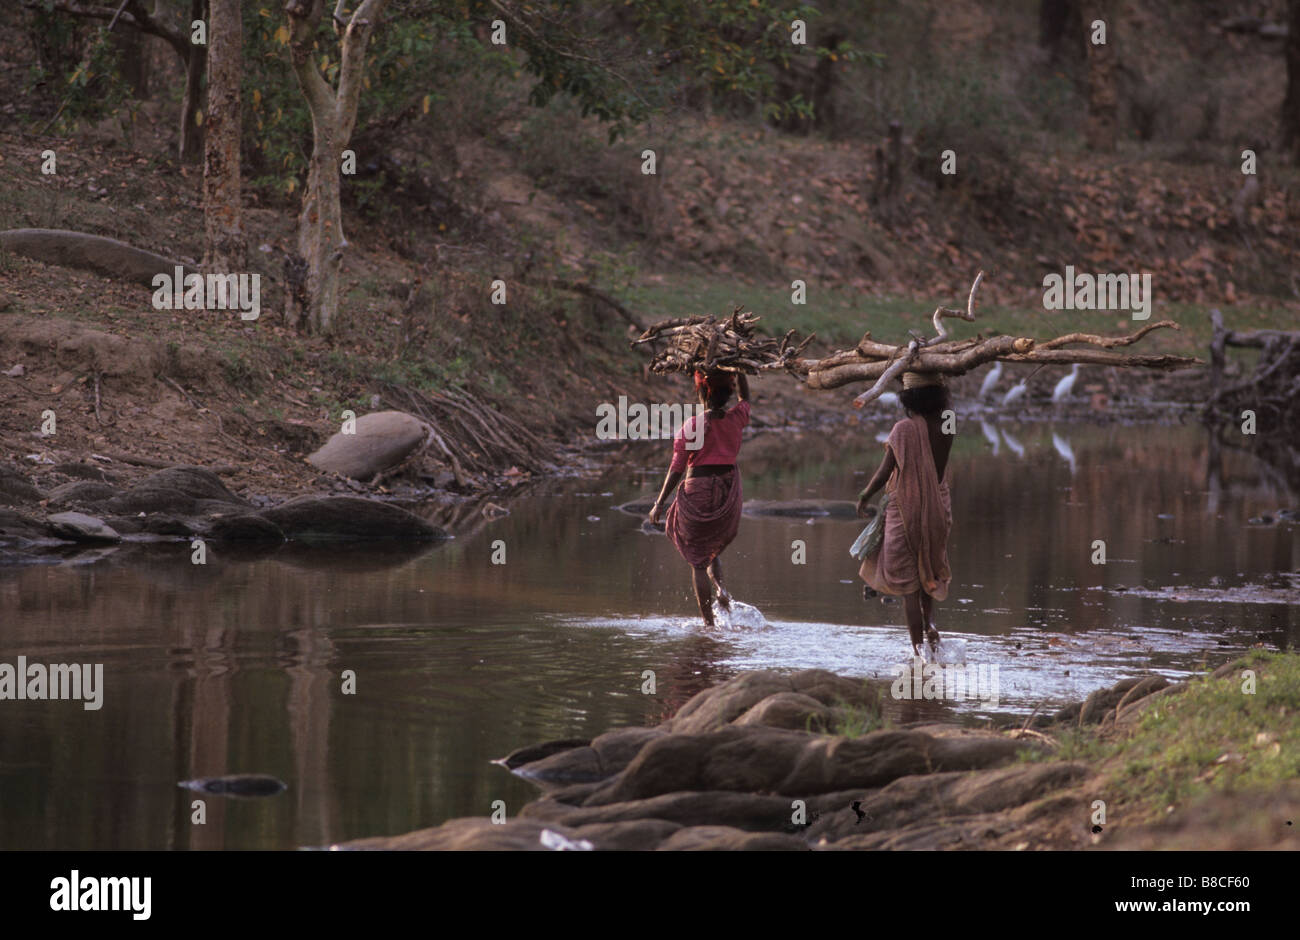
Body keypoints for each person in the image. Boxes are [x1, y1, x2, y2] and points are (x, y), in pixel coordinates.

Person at [855, 371, 954, 656]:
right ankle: (931, 624)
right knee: (929, 569)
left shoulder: (903, 429)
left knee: (910, 585)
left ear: (908, 398)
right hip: (938, 511)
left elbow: (886, 470)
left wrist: (864, 495)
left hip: (907, 513)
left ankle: (918, 650)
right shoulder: (948, 425)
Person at [649, 369, 751, 627]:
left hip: (700, 491)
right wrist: (739, 370)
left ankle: (708, 625)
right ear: (728, 393)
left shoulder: (693, 426)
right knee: (711, 546)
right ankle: (722, 590)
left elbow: (677, 469)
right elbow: (746, 398)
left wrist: (659, 503)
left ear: (703, 392)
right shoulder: (737, 419)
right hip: (728, 492)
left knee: (697, 560)